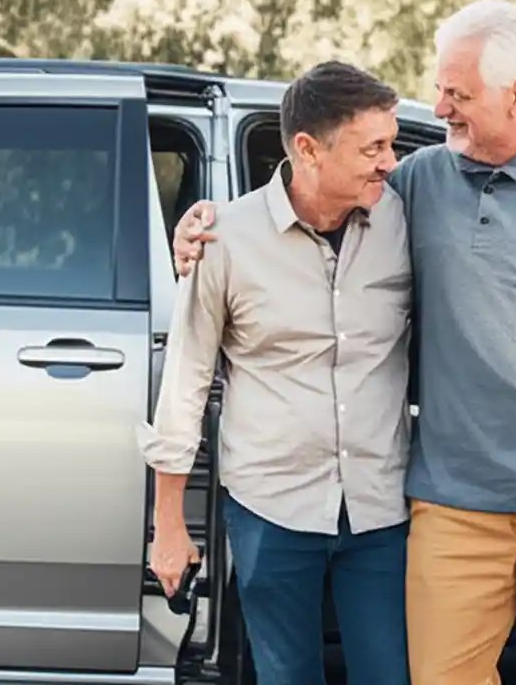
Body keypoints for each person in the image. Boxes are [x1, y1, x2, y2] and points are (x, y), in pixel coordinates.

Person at [170, 0, 516, 685]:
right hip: (452, 508)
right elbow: (313, 206)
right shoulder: (412, 185)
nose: (441, 106)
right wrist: (201, 228)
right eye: (440, 87)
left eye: (458, 92)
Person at [137, 61, 414, 684]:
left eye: (392, 143)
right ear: (309, 150)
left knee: (391, 676)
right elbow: (184, 384)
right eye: (373, 147)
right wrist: (169, 526)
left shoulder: (404, 220)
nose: (390, 162)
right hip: (272, 509)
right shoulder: (225, 239)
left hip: (379, 509)